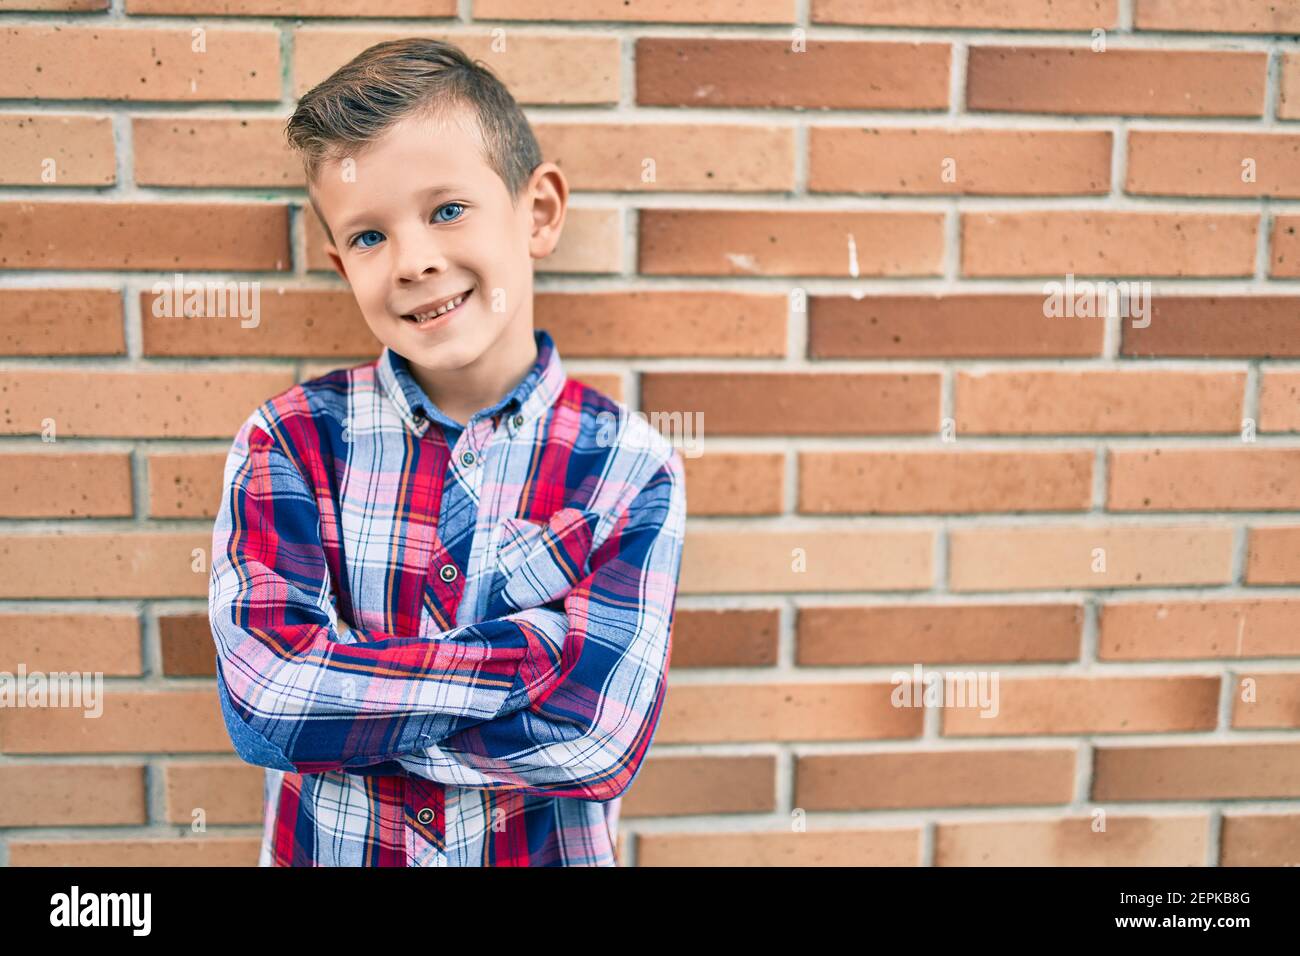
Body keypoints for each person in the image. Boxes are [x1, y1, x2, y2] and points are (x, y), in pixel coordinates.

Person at [207, 37, 687, 867]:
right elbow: (271, 702)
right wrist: (541, 654)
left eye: (447, 210)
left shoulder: (628, 467)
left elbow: (599, 733)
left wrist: (347, 705)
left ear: (537, 213)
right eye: (368, 237)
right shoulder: (287, 442)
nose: (415, 260)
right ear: (339, 264)